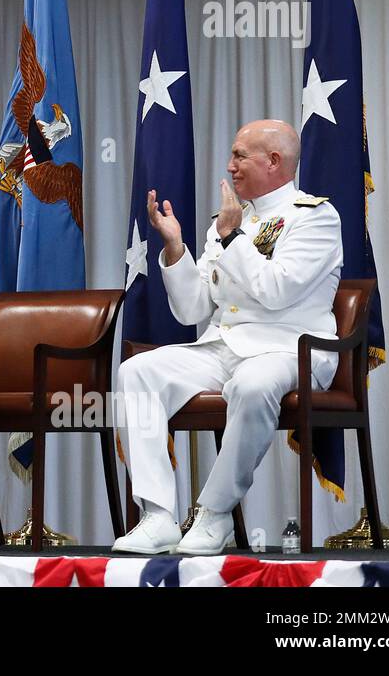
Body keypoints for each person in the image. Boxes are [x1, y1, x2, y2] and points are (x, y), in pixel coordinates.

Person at [113, 119, 342, 555]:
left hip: (289, 349)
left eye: (240, 155)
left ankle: (215, 516)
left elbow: (277, 292)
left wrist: (234, 237)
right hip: (224, 346)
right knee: (137, 372)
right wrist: (176, 248)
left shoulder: (315, 217)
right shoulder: (227, 221)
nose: (230, 165)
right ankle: (158, 515)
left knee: (253, 385)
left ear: (273, 161)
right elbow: (194, 309)